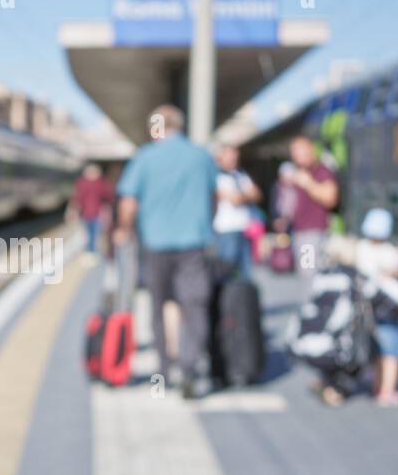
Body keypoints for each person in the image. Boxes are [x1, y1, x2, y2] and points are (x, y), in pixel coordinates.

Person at [114, 104, 216, 399]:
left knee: (158, 306)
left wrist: (124, 230)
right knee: (194, 306)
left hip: (156, 245)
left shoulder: (145, 158)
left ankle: (162, 367)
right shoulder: (201, 156)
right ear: (180, 126)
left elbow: (128, 204)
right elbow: (214, 197)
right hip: (194, 244)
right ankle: (189, 369)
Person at [355, 208, 398, 407]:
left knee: (376, 353)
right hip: (389, 310)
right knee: (391, 354)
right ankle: (387, 392)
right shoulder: (389, 252)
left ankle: (376, 387)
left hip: (367, 310)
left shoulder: (360, 249)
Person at [281, 136, 340, 279]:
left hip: (312, 232)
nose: (297, 156)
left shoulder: (322, 171)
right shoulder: (297, 172)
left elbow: (330, 198)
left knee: (310, 275)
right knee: (305, 273)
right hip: (298, 232)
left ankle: (313, 301)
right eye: (294, 152)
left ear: (311, 150)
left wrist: (308, 183)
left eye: (301, 151)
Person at [211, 144, 261, 278]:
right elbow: (235, 199)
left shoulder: (240, 174)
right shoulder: (216, 176)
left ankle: (244, 298)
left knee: (246, 271)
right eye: (230, 155)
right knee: (226, 269)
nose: (234, 158)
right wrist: (246, 195)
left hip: (244, 228)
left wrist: (242, 196)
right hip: (226, 229)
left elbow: (257, 195)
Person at [68, 163, 114, 254]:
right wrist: (73, 210)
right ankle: (91, 251)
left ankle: (92, 251)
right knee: (89, 233)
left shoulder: (100, 183)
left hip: (96, 213)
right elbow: (76, 198)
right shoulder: (84, 183)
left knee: (94, 234)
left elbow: (108, 197)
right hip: (87, 213)